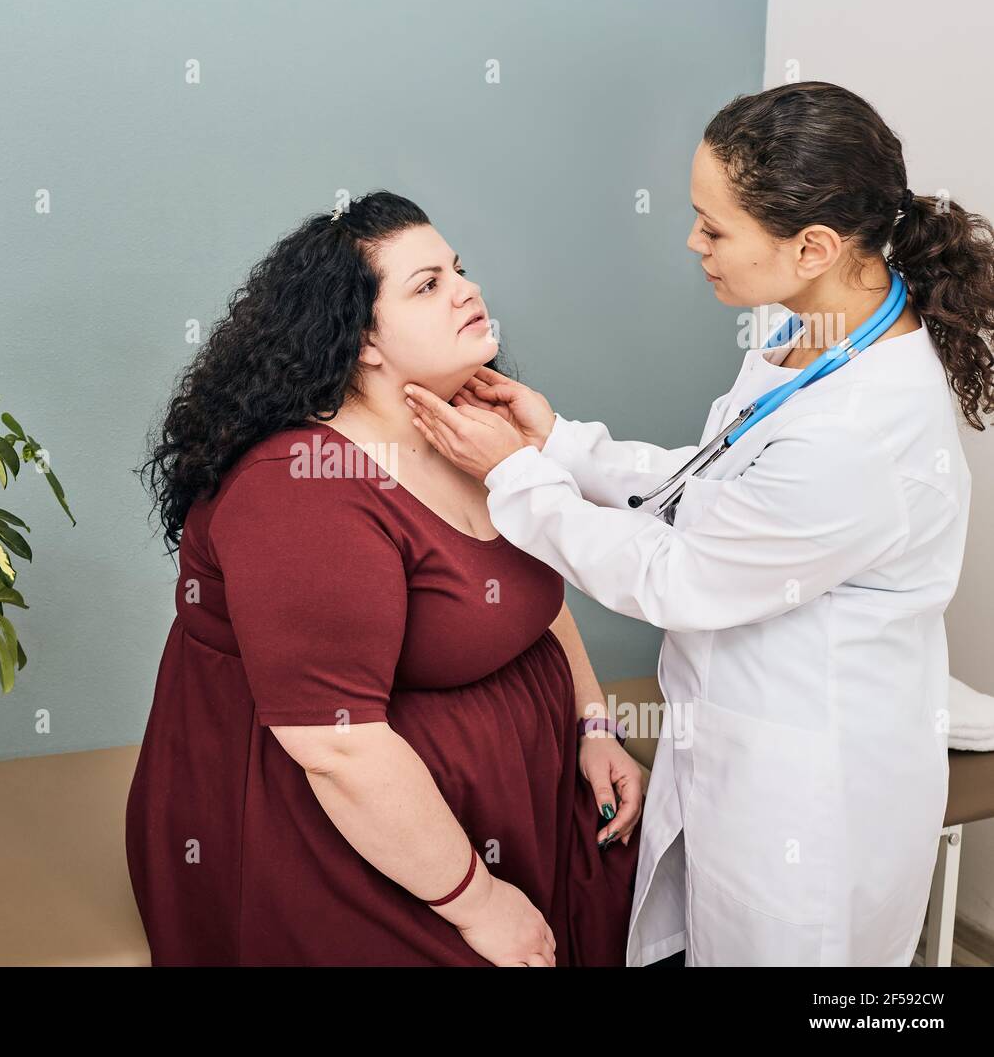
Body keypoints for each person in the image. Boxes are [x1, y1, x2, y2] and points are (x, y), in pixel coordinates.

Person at [405, 81, 994, 966]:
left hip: (810, 802)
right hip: (733, 739)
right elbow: (720, 483)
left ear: (814, 245)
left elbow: (679, 576)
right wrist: (561, 442)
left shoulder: (863, 430)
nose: (693, 242)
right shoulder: (820, 327)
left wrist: (515, 476)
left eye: (715, 228)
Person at [127, 190, 643, 966]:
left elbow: (535, 599)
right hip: (354, 831)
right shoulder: (301, 492)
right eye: (427, 284)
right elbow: (338, 748)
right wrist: (478, 902)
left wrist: (593, 726)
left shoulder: (474, 425)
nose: (467, 289)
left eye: (459, 270)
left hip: (525, 801)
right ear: (362, 337)